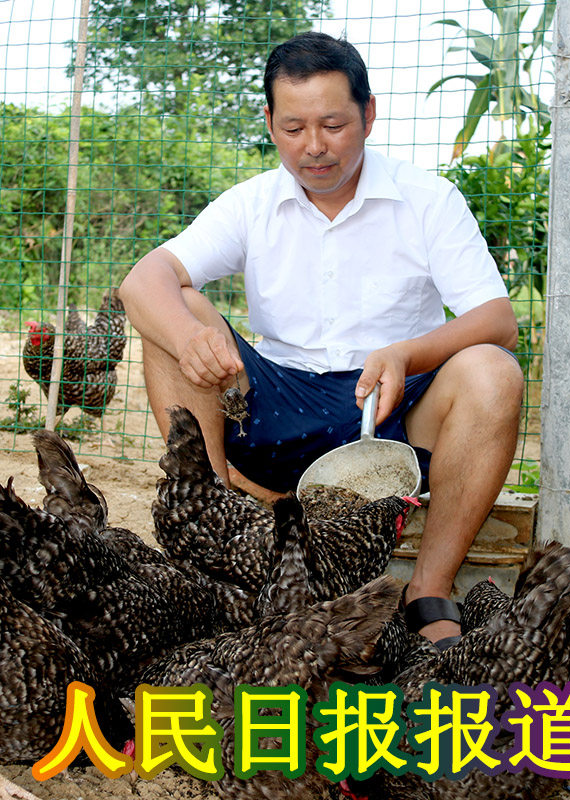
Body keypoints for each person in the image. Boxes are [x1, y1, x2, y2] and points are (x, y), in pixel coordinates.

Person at [119, 31, 523, 651]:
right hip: (273, 414)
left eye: (334, 124)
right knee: (180, 311)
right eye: (294, 127)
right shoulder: (251, 203)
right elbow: (143, 281)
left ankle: (429, 588)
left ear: (368, 114)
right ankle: (216, 538)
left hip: (388, 417)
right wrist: (188, 337)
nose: (314, 146)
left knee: (492, 371)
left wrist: (406, 353)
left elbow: (497, 319)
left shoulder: (429, 200)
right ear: (270, 123)